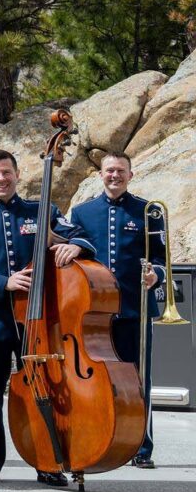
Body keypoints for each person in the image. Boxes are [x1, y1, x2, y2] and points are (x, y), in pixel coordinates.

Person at [0, 148, 97, 487]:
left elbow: (79, 235)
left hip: (40, 324)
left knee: (44, 391)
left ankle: (47, 463)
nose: (1, 179)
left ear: (18, 175)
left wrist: (75, 246)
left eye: (7, 172)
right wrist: (6, 282)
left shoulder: (43, 210)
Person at [69, 152, 165, 468]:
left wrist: (157, 276)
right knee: (96, 380)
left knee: (138, 382)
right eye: (109, 170)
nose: (115, 176)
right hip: (95, 312)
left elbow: (163, 258)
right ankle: (98, 439)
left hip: (135, 311)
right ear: (100, 174)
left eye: (120, 171)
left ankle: (141, 447)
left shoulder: (149, 212)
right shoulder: (82, 213)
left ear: (130, 175)